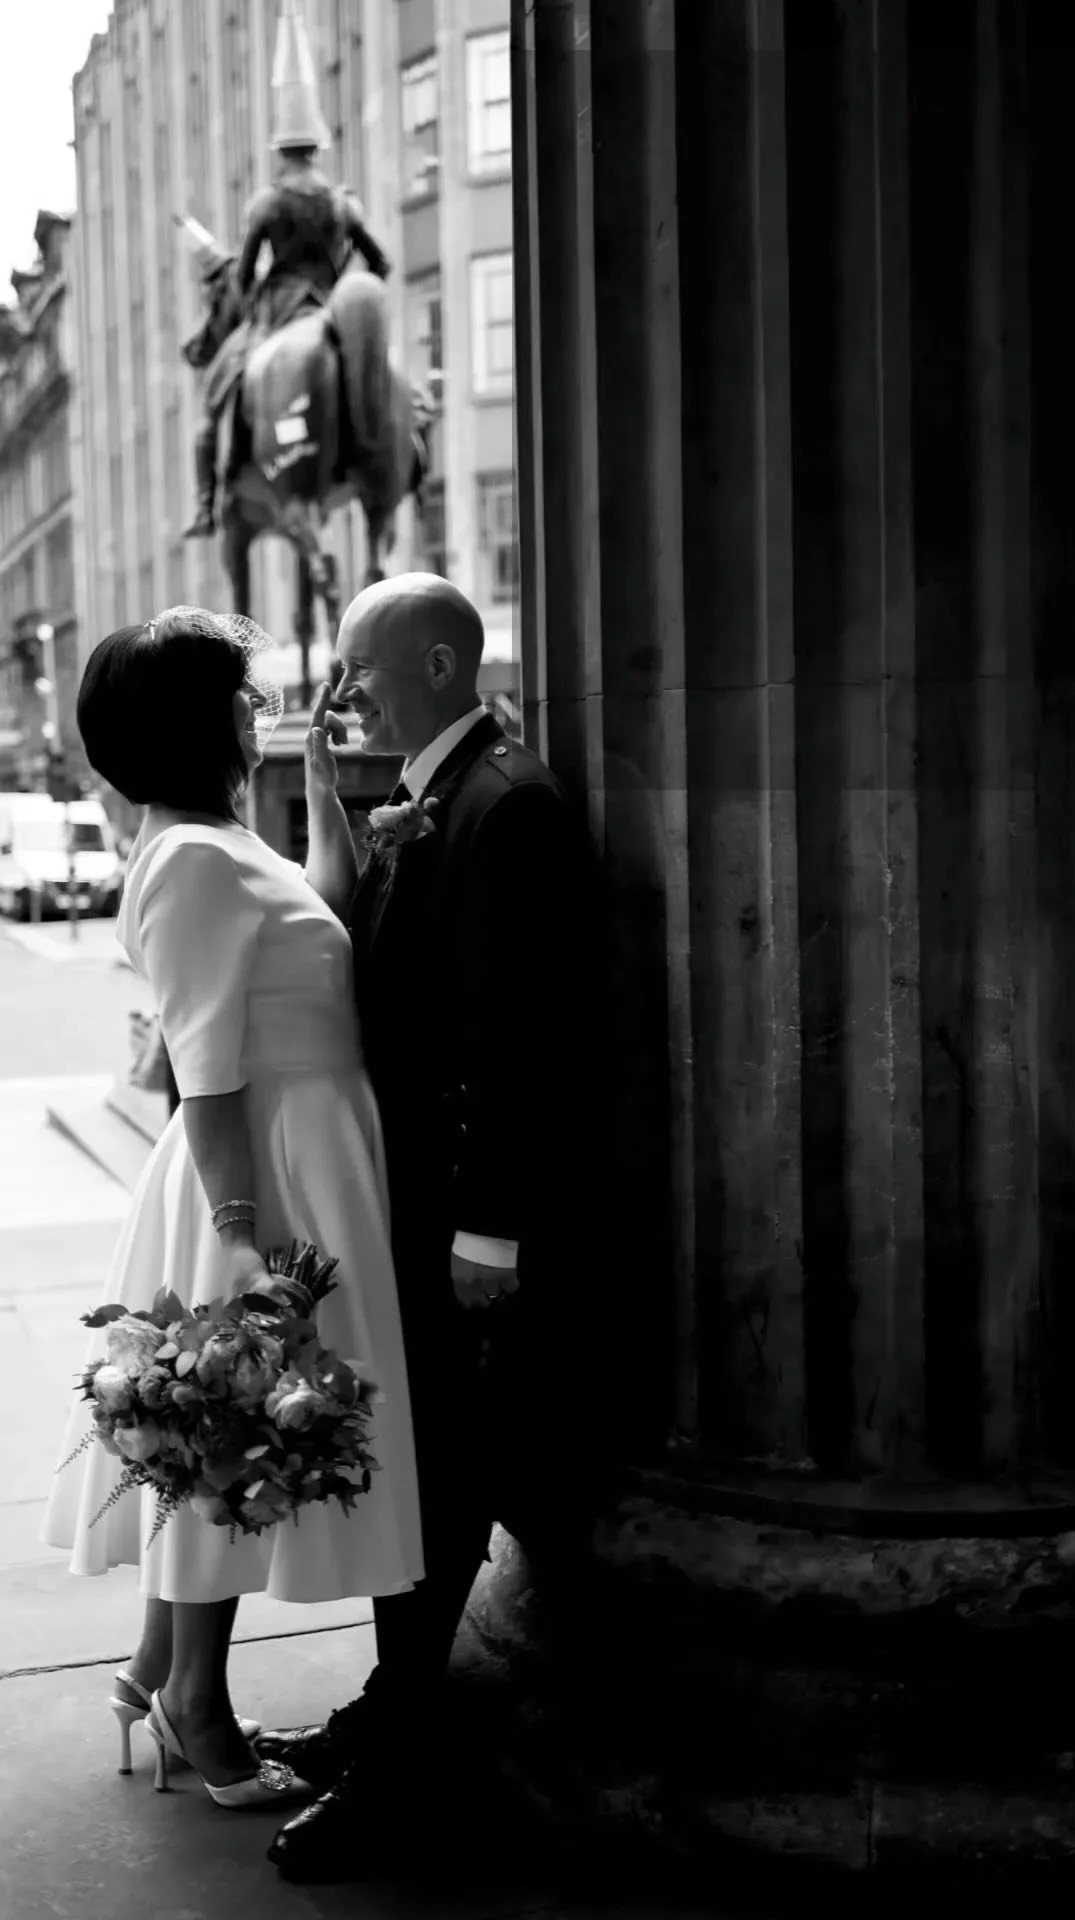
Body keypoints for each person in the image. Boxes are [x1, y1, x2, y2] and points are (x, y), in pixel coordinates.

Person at [43, 607, 423, 1809]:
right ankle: (192, 1705)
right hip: (259, 1167)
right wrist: (249, 1241)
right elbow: (204, 1074)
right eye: (242, 697)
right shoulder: (195, 857)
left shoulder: (218, 839)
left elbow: (312, 915)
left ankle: (154, 1671)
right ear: (192, 720)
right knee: (230, 1443)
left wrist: (318, 795)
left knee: (228, 1445)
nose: (257, 711)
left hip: (300, 1144)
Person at [256, 574, 599, 1884]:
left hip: (465, 1224)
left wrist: (491, 1230)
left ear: (444, 666)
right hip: (419, 1210)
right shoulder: (446, 797)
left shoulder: (508, 808)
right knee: (422, 1477)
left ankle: (407, 1772)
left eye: (360, 668)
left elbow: (520, 1035)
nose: (343, 692)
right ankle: (392, 1719)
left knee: (446, 1486)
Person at [184, 146, 391, 540]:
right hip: (333, 310)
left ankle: (206, 504)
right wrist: (341, 277)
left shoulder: (268, 203)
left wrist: (256, 289)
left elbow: (243, 280)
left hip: (278, 313)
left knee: (211, 402)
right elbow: (381, 264)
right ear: (316, 150)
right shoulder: (342, 204)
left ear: (282, 152)